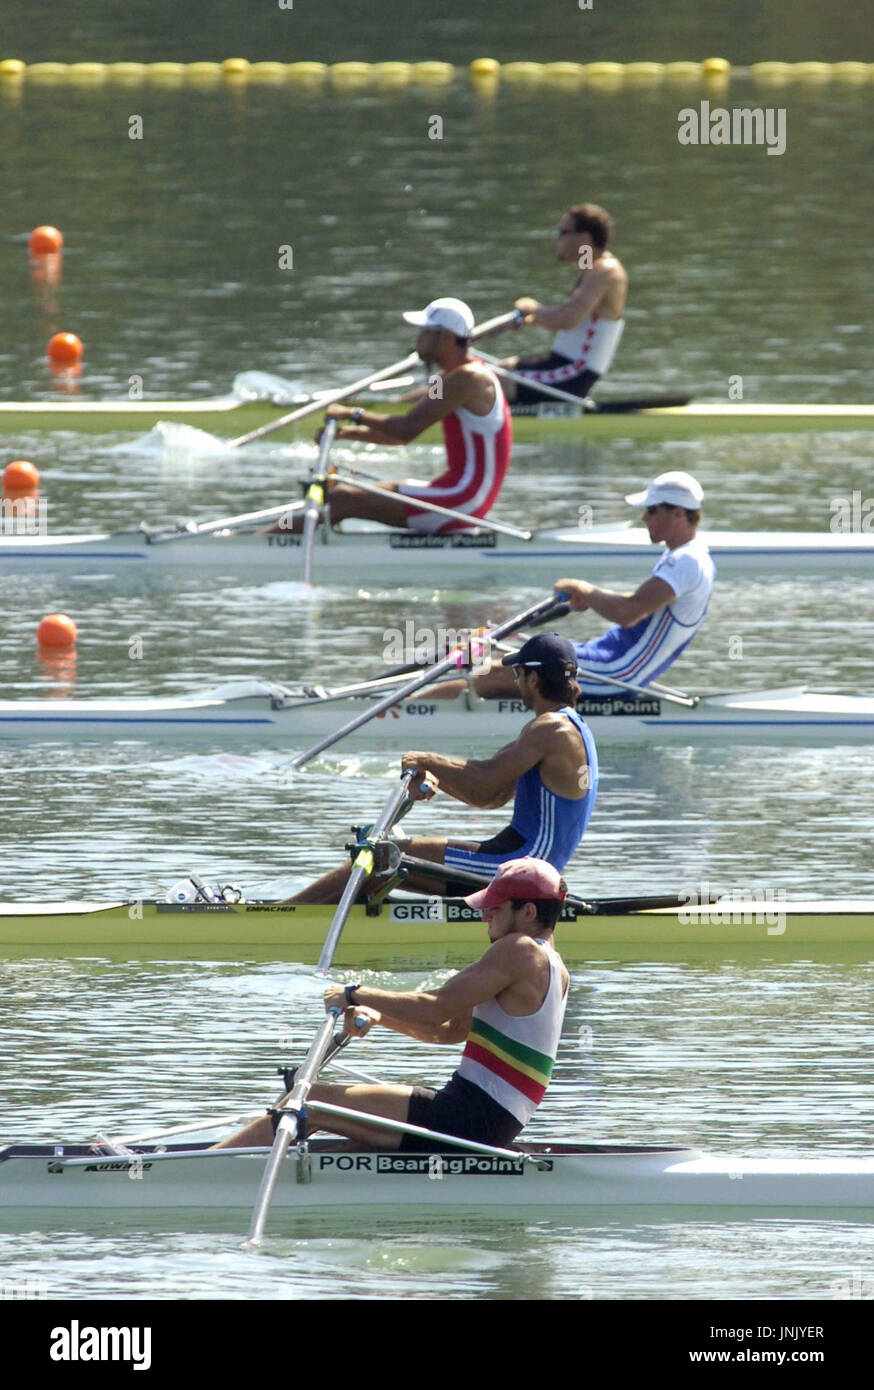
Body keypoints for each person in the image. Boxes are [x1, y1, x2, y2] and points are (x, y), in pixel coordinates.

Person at [217, 857, 570, 1154]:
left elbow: (435, 1006)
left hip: (468, 1116)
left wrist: (356, 993)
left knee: (309, 1100)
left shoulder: (520, 951)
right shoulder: (551, 966)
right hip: (486, 1122)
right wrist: (381, 1016)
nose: (484, 916)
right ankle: (249, 1164)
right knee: (347, 1141)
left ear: (527, 911)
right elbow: (446, 1031)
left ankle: (208, 1167)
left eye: (494, 908)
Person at [284, 632, 598, 905]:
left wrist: (426, 761)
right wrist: (438, 776)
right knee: (388, 861)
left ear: (534, 678)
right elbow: (490, 797)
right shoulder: (570, 727)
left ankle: (282, 914)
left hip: (518, 865)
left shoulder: (550, 730)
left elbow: (483, 781)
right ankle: (322, 913)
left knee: (381, 858)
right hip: (527, 860)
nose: (515, 682)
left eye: (517, 674)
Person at [434, 472, 715, 700]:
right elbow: (633, 607)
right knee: (494, 652)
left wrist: (582, 588)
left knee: (490, 672)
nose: (645, 518)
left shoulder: (687, 561)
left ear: (678, 513)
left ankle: (404, 712)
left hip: (617, 672)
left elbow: (629, 612)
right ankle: (410, 707)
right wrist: (590, 598)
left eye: (652, 510)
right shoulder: (686, 556)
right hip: (606, 656)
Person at [282, 298, 512, 534]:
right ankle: (291, 542)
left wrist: (352, 413)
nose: (418, 338)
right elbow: (400, 438)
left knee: (342, 498)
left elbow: (406, 428)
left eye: (425, 332)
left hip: (461, 499)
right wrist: (346, 433)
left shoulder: (468, 378)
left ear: (446, 338)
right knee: (349, 493)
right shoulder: (451, 378)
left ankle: (261, 546)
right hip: (460, 494)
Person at [499, 203, 627, 406]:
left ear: (584, 239)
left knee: (486, 379)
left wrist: (533, 308)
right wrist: (531, 320)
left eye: (562, 231)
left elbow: (566, 320)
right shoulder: (592, 268)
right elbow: (573, 324)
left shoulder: (605, 271)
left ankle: (437, 404)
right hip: (561, 367)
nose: (556, 238)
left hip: (573, 375)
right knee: (500, 367)